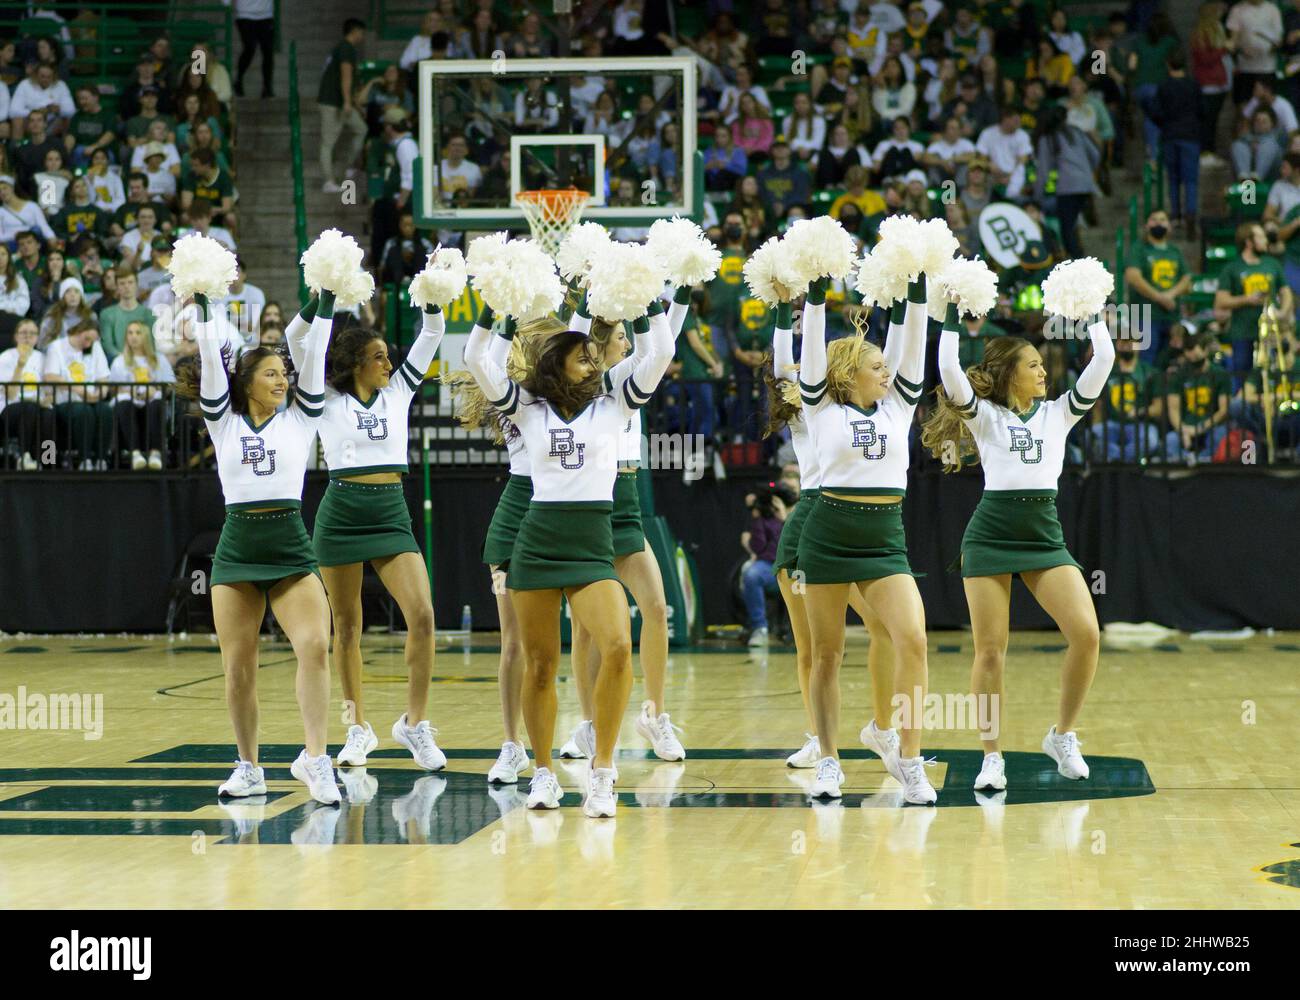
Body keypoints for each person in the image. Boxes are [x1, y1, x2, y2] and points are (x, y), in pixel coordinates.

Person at [462, 289, 676, 818]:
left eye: (594, 355)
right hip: (536, 543)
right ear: (557, 365)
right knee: (539, 666)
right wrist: (496, 307)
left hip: (591, 546)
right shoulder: (527, 407)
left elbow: (660, 353)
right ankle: (542, 773)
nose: (595, 360)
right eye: (583, 355)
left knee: (618, 647)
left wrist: (644, 302)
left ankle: (603, 772)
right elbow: (476, 358)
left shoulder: (617, 404)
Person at [921, 297, 1115, 792]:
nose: (1044, 370)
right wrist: (948, 311)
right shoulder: (984, 416)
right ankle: (991, 756)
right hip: (990, 535)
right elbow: (946, 366)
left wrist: (1092, 310)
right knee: (989, 651)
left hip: (1044, 537)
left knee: (1087, 635)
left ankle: (1063, 735)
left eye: (1042, 364)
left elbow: (1105, 359)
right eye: (1033, 364)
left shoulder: (1059, 414)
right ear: (1010, 374)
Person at [174, 280, 338, 805]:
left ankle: (315, 759)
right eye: (271, 373)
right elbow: (209, 354)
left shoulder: (301, 417)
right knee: (238, 667)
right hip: (238, 548)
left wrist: (326, 299)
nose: (282, 378)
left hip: (290, 545)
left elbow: (312, 353)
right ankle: (248, 766)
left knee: (315, 645)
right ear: (246, 382)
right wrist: (202, 303)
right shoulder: (223, 421)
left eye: (283, 372)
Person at [285, 293, 448, 773]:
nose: (388, 362)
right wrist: (323, 298)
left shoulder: (399, 390)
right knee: (347, 627)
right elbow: (298, 338)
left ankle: (414, 724)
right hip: (340, 515)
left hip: (391, 513)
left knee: (422, 614)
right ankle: (357, 727)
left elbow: (432, 334)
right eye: (379, 356)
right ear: (357, 362)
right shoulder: (328, 397)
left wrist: (434, 295)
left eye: (387, 356)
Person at [793, 268, 934, 804]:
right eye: (877, 366)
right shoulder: (819, 405)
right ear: (850, 372)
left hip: (884, 540)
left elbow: (911, 348)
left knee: (913, 641)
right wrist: (814, 294)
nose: (887, 372)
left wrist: (913, 291)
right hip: (826, 535)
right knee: (827, 655)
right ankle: (829, 760)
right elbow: (811, 355)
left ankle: (910, 758)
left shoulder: (898, 407)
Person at [1215, 222, 1292, 386]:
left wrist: (1283, 312)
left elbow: (1285, 291)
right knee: (1242, 377)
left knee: (1271, 376)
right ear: (1249, 242)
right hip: (1242, 332)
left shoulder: (1272, 264)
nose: (1266, 241)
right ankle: (1241, 409)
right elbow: (1221, 300)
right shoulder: (1232, 268)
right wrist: (1247, 299)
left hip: (1270, 332)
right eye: (1261, 237)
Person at [42, 317, 111, 469]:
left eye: (92, 340)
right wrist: (77, 389)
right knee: (83, 411)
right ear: (78, 331)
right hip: (66, 400)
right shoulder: (57, 347)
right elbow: (51, 376)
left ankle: (101, 458)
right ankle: (84, 459)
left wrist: (101, 392)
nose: (88, 344)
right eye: (86, 339)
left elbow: (103, 377)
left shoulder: (95, 346)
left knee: (105, 410)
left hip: (91, 398)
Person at [1032, 105, 1099, 258]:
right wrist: (1087, 173)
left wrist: (1036, 197)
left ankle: (1078, 262)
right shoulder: (1075, 132)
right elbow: (1095, 154)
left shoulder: (1047, 138)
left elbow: (1043, 171)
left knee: (1066, 227)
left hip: (1068, 187)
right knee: (1072, 223)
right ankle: (1078, 258)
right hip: (1086, 185)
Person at [1150, 51, 1203, 237]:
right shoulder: (1193, 85)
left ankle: (1175, 215)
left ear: (1168, 65)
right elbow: (1202, 109)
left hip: (1170, 135)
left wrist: (1164, 123)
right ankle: (1190, 213)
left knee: (1173, 179)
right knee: (1190, 180)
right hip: (1190, 135)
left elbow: (1155, 111)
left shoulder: (1164, 86)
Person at [1087, 336, 1164, 463]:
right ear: (1117, 344)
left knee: (1150, 439)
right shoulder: (1107, 371)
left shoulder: (1150, 372)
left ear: (1139, 346)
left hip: (1139, 424)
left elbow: (1158, 408)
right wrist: (1097, 426)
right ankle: (1124, 460)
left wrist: (1139, 412)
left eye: (1131, 342)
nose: (1127, 345)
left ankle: (1117, 460)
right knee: (1092, 436)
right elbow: (1098, 405)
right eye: (1123, 342)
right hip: (1112, 423)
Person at [108, 319, 172, 470]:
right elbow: (112, 389)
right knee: (123, 402)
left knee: (157, 401)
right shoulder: (119, 361)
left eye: (137, 333)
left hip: (152, 400)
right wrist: (129, 390)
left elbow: (170, 385)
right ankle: (135, 454)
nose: (133, 336)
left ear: (145, 336)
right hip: (129, 401)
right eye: (130, 333)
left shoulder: (159, 359)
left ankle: (155, 454)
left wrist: (156, 389)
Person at [1163, 331, 1233, 461]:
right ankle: (1184, 466)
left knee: (1220, 435)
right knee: (1171, 440)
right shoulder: (1179, 375)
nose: (1192, 359)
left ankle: (1204, 464)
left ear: (1206, 351)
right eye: (1188, 355)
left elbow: (1224, 410)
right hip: (1185, 427)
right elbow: (1173, 409)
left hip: (1212, 426)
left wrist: (1198, 429)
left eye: (1195, 355)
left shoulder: (1220, 374)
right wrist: (1183, 430)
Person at [318, 18, 367, 193]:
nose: (363, 36)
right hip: (332, 102)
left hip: (340, 102)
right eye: (361, 32)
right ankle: (328, 181)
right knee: (328, 142)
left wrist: (354, 104)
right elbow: (346, 76)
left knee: (361, 129)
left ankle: (346, 167)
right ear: (355, 31)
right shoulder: (346, 48)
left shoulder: (344, 48)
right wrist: (347, 102)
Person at [0, 318, 49, 469]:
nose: (28, 336)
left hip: (38, 405)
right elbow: (10, 394)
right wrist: (20, 365)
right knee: (29, 408)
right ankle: (24, 456)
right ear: (16, 336)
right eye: (23, 333)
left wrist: (47, 400)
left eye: (32, 333)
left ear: (37, 337)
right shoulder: (6, 357)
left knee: (50, 416)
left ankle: (48, 460)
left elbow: (50, 390)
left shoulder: (43, 358)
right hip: (10, 409)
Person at [1228, 0, 1284, 105]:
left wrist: (1272, 48)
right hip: (1245, 67)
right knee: (1244, 103)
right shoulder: (1238, 10)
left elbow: (1278, 37)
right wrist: (1238, 50)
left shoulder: (1272, 10)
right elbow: (1233, 38)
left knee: (1266, 103)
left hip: (1267, 67)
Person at [99, 267, 155, 361]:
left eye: (130, 282)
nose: (126, 286)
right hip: (117, 361)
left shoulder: (148, 314)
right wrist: (124, 360)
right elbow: (108, 345)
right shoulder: (107, 314)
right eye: (122, 283)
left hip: (144, 361)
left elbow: (151, 344)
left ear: (137, 285)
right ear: (117, 287)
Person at [976, 106, 1032, 200]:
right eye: (1015, 120)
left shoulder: (1022, 135)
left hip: (1014, 176)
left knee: (1021, 171)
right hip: (992, 174)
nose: (1018, 122)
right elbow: (981, 156)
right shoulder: (988, 133)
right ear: (1005, 119)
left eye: (1018, 119)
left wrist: (1010, 177)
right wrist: (989, 165)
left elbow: (1023, 159)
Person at [231, 0, 276, 98]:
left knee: (268, 51)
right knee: (250, 47)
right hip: (244, 14)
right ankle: (239, 79)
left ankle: (267, 87)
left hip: (266, 14)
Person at [0, 174, 54, 244]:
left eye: (5, 188)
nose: (2, 192)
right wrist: (17, 235)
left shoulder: (32, 206)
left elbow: (43, 226)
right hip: (12, 242)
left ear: (12, 188)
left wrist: (52, 237)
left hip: (32, 240)